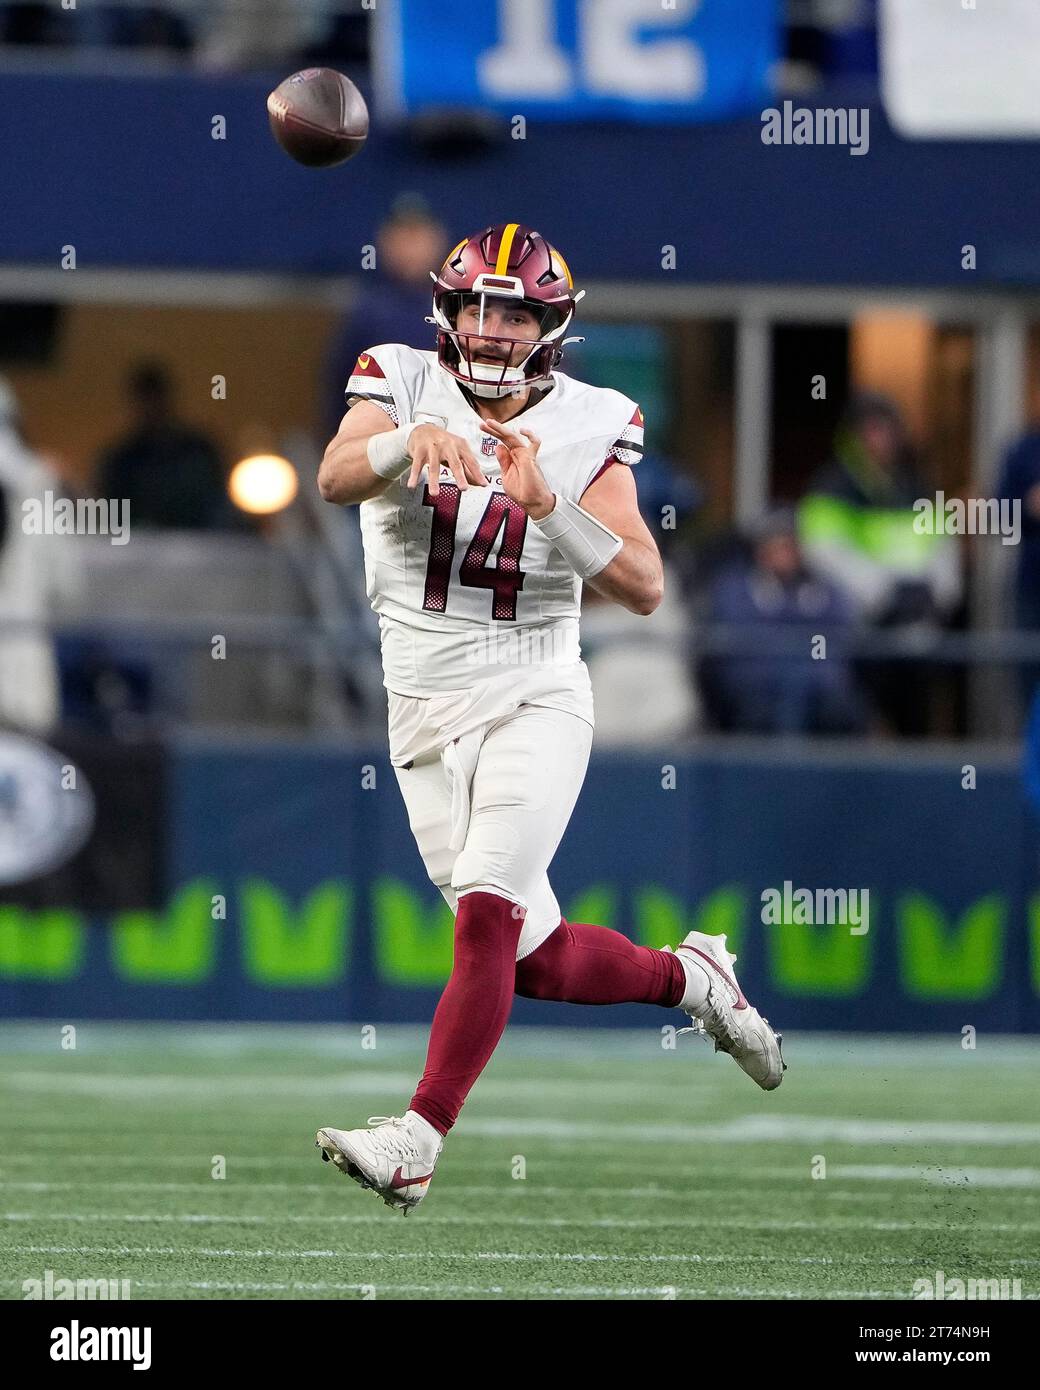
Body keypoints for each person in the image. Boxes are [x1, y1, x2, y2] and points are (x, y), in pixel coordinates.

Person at [314, 223, 786, 1214]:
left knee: (487, 907)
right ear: (447, 309)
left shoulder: (589, 420)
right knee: (529, 958)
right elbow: (336, 474)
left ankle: (416, 1139)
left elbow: (645, 584)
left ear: (548, 326)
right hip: (419, 708)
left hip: (533, 691)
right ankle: (693, 980)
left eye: (513, 310)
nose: (489, 328)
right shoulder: (395, 375)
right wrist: (412, 439)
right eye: (477, 306)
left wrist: (547, 508)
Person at [798, 391, 960, 735]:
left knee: (915, 723)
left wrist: (934, 594)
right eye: (871, 429)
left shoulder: (916, 486)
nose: (881, 439)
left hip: (916, 629)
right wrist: (884, 593)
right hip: (858, 634)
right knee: (862, 727)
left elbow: (944, 548)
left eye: (887, 429)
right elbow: (823, 552)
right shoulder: (832, 487)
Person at [702, 509, 866, 734]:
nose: (782, 554)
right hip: (757, 687)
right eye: (774, 545)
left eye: (788, 545)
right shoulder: (735, 589)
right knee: (769, 705)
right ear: (760, 549)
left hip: (817, 687)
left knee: (835, 705)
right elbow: (738, 638)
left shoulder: (824, 588)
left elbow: (841, 632)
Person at [322, 197, 449, 440]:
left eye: (418, 237)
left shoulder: (456, 308)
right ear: (385, 242)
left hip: (447, 444)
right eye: (403, 238)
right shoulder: (367, 313)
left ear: (437, 240)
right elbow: (339, 388)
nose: (411, 249)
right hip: (381, 445)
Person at [94, 363, 231, 531]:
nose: (151, 408)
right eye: (146, 400)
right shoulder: (121, 460)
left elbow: (217, 505)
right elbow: (113, 514)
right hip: (140, 546)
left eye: (155, 399)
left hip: (199, 544)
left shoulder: (199, 451)